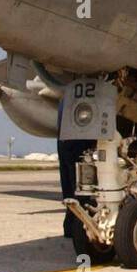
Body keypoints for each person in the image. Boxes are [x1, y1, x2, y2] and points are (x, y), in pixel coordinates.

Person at [56, 97, 95, 237]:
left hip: (63, 141)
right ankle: (79, 227)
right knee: (80, 188)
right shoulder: (78, 97)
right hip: (76, 139)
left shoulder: (65, 96)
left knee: (68, 187)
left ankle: (70, 227)